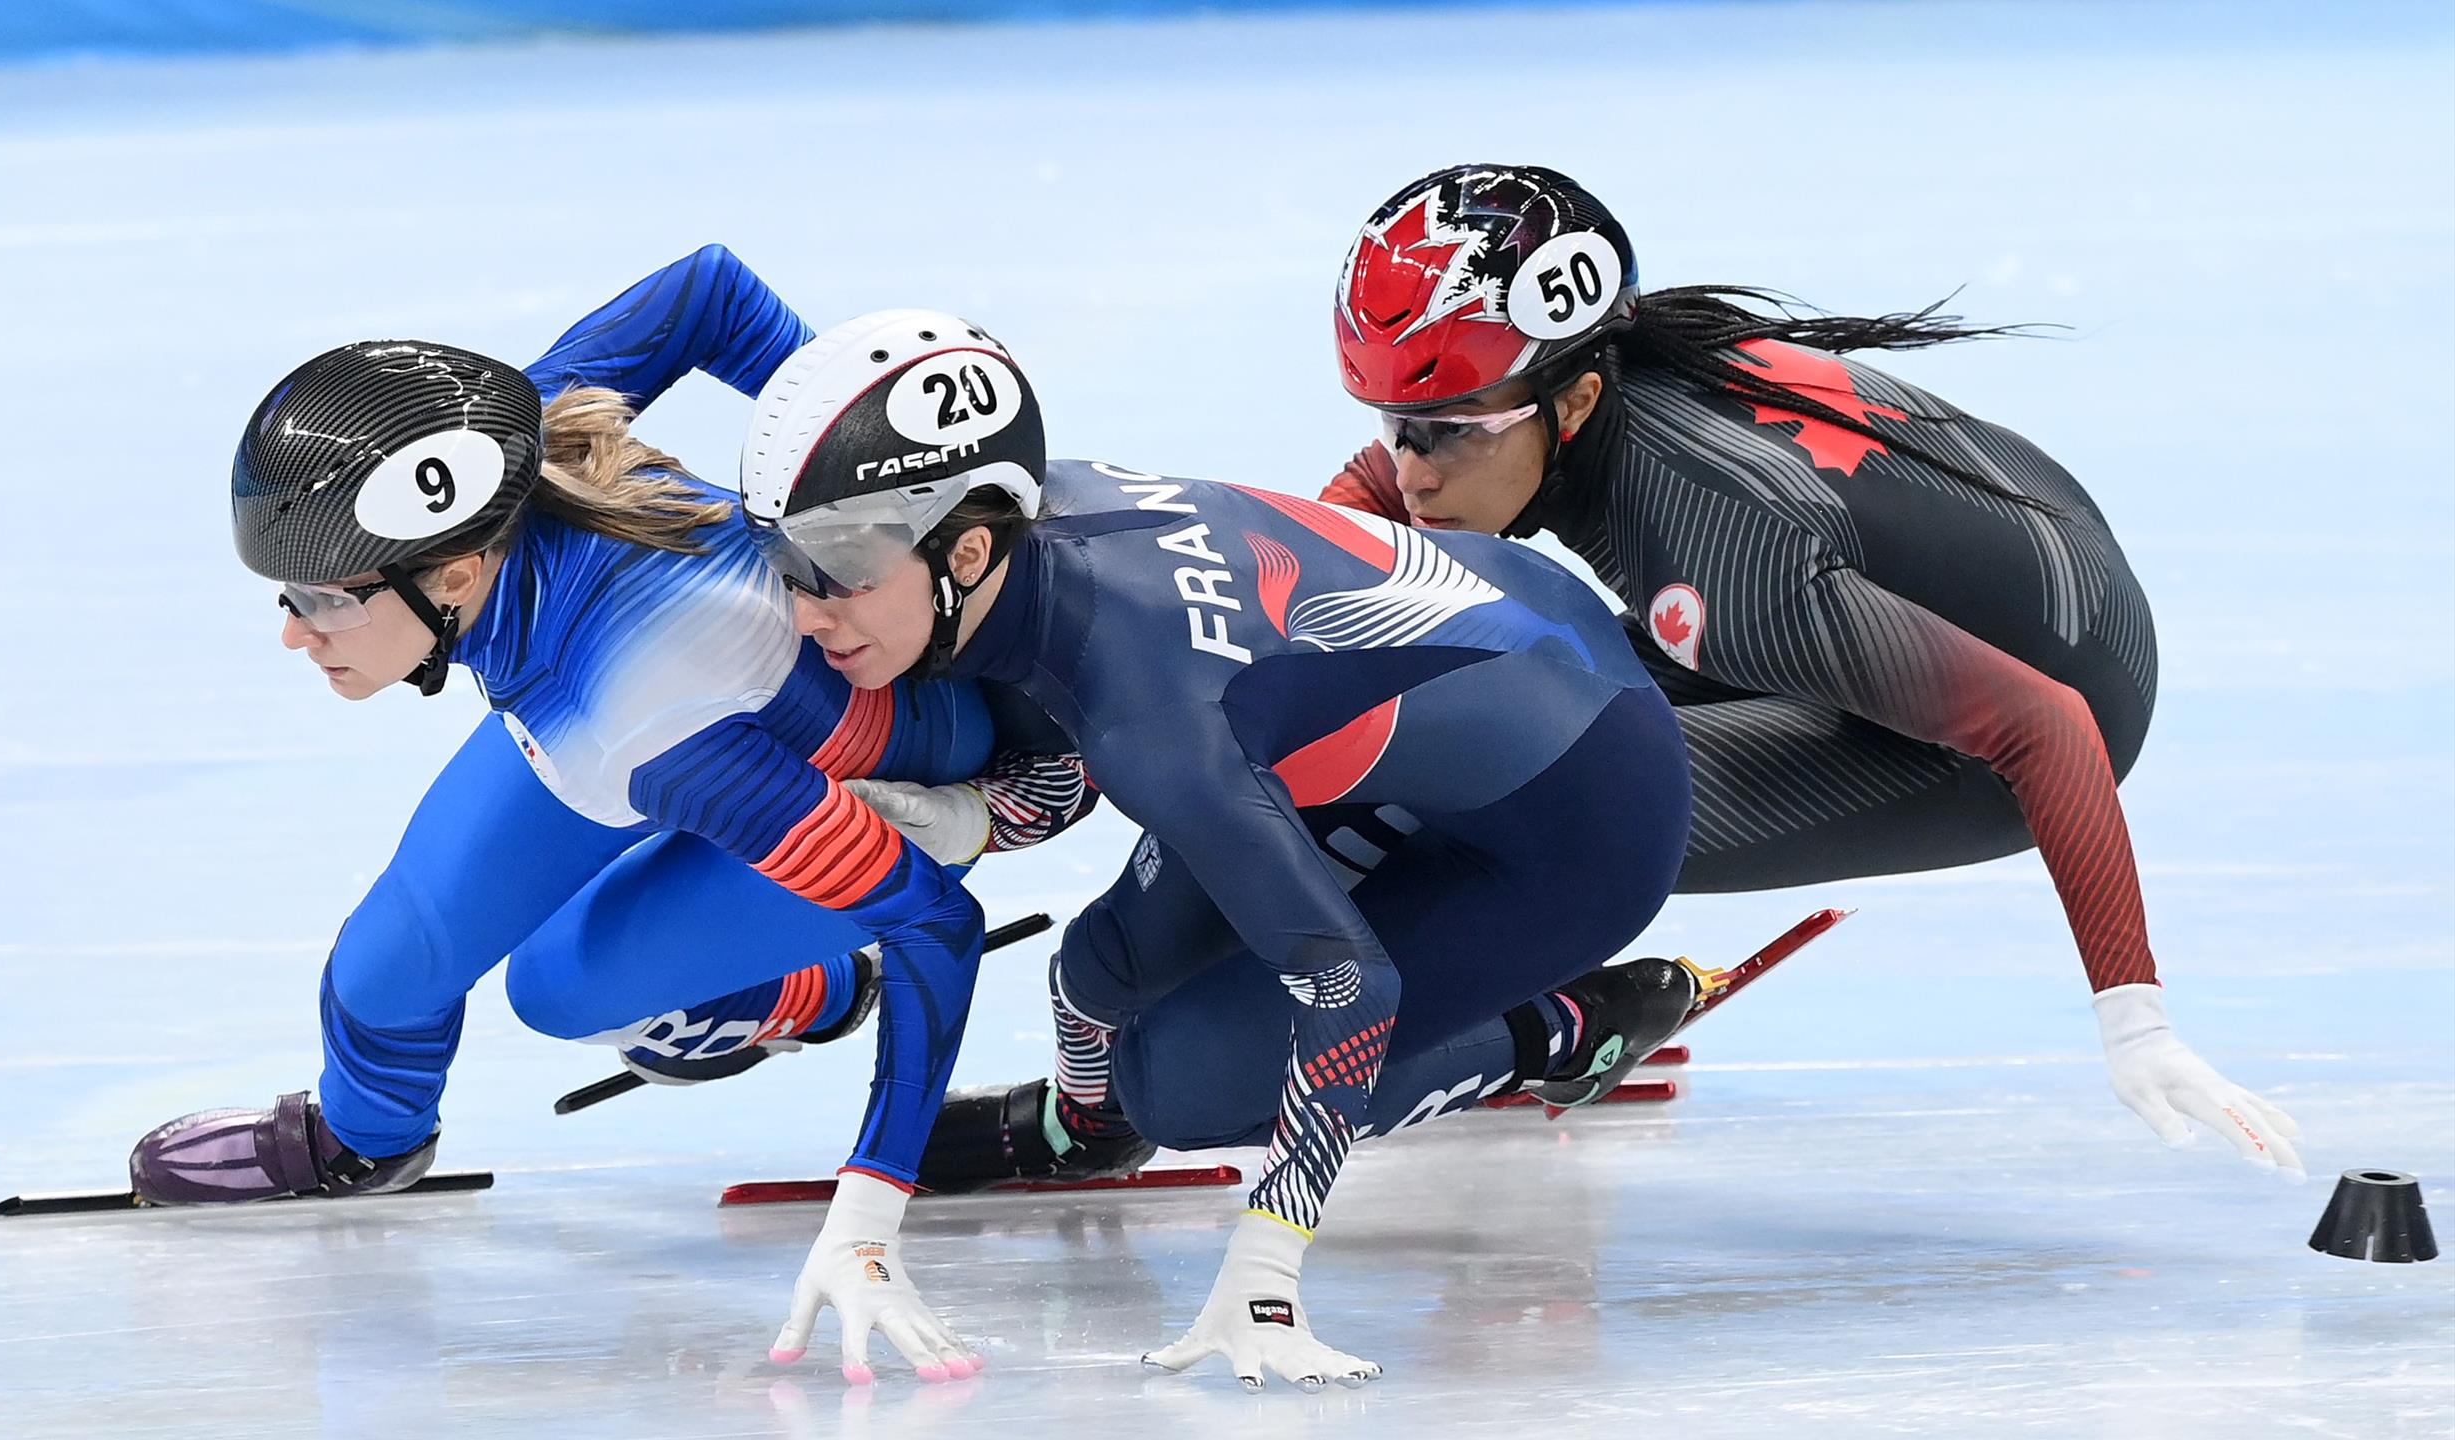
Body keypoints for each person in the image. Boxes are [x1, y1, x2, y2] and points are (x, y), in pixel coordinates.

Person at [127, 249, 1086, 1386]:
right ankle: (367, 1141)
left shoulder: (637, 712)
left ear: (451, 573)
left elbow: (935, 923)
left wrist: (872, 1200)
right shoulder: (512, 436)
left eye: (329, 598)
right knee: (388, 966)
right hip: (630, 711)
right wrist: (843, 500)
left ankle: (814, 991)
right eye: (287, 595)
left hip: (862, 751)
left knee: (563, 988)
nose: (296, 631)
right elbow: (709, 294)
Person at [745, 308, 1696, 1389]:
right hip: (1447, 696)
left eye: (836, 569)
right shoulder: (1016, 529)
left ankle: (1557, 1030)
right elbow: (1054, 755)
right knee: (1097, 963)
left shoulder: (1156, 716)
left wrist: (1266, 1262)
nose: (805, 608)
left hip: (1584, 820)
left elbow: (1349, 983)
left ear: (964, 550)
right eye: (783, 559)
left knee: (1189, 1091)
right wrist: (973, 816)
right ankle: (1086, 1127)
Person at [1317, 163, 2301, 1177]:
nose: (1412, 472)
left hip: (2023, 736)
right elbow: (1360, 511)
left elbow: (2045, 728)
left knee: (1519, 793)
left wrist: (2134, 1021)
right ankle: (1517, 975)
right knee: (1459, 716)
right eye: (1393, 426)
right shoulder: (1604, 377)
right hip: (1937, 605)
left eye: (1447, 433)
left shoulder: (1725, 554)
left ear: (1573, 402)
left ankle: (1560, 1023)